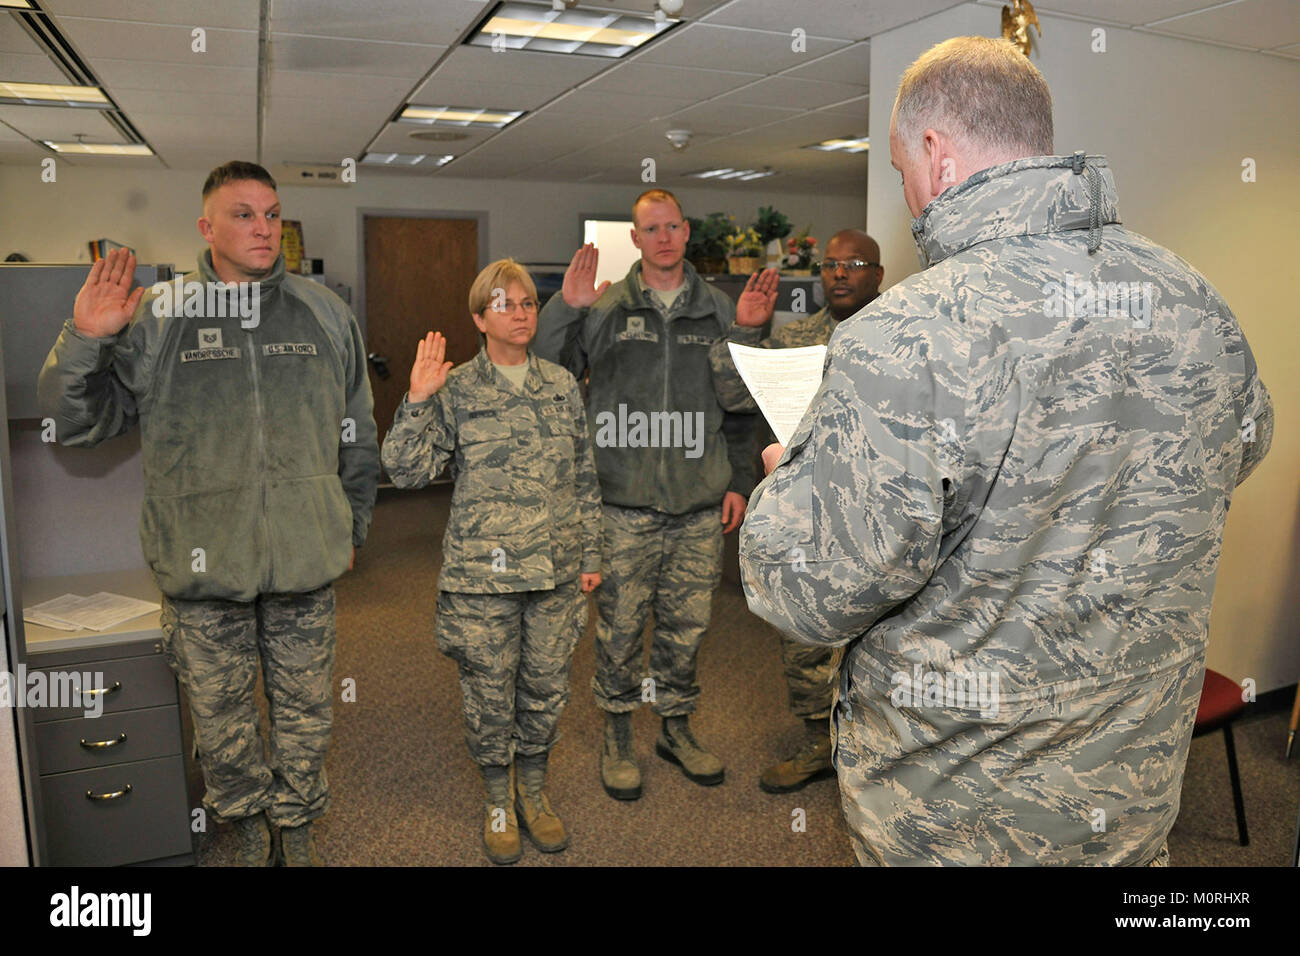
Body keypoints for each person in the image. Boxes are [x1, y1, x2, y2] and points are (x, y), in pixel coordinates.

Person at [739, 36, 1272, 865]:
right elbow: (1240, 445)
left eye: (899, 168)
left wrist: (791, 485)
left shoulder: (905, 336)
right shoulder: (1190, 297)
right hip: (1129, 793)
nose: (908, 196)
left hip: (957, 818)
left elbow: (808, 597)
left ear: (935, 153)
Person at [38, 160, 380, 866]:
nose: (264, 228)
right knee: (224, 724)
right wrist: (88, 340)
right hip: (202, 564)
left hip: (304, 559)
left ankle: (296, 825)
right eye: (244, 214)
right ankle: (247, 826)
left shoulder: (324, 314)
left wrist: (353, 525)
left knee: (307, 716)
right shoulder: (159, 319)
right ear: (206, 227)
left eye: (272, 213)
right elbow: (78, 424)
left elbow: (357, 430)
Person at [534, 189, 777, 799]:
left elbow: (743, 407)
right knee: (619, 628)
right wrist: (567, 309)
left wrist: (741, 483)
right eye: (652, 229)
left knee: (687, 626)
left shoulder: (722, 310)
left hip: (698, 502)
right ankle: (618, 733)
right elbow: (550, 374)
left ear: (686, 232)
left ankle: (675, 726)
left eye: (673, 226)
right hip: (623, 501)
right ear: (636, 239)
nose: (664, 237)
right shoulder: (607, 306)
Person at [381, 260, 602, 864]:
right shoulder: (458, 391)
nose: (523, 312)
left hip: (554, 574)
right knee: (488, 696)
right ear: (480, 318)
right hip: (483, 580)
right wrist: (419, 399)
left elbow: (583, 477)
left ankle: (534, 791)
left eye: (529, 302)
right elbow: (405, 471)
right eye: (506, 304)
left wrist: (590, 553)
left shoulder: (561, 385)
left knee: (546, 690)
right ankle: (498, 800)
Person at [710, 228, 884, 794]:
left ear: (877, 275)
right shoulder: (798, 338)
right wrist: (751, 332)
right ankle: (819, 742)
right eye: (830, 264)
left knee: (881, 632)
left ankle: (875, 749)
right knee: (806, 633)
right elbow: (737, 403)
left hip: (880, 513)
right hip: (805, 512)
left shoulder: (903, 334)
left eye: (854, 263)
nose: (839, 273)